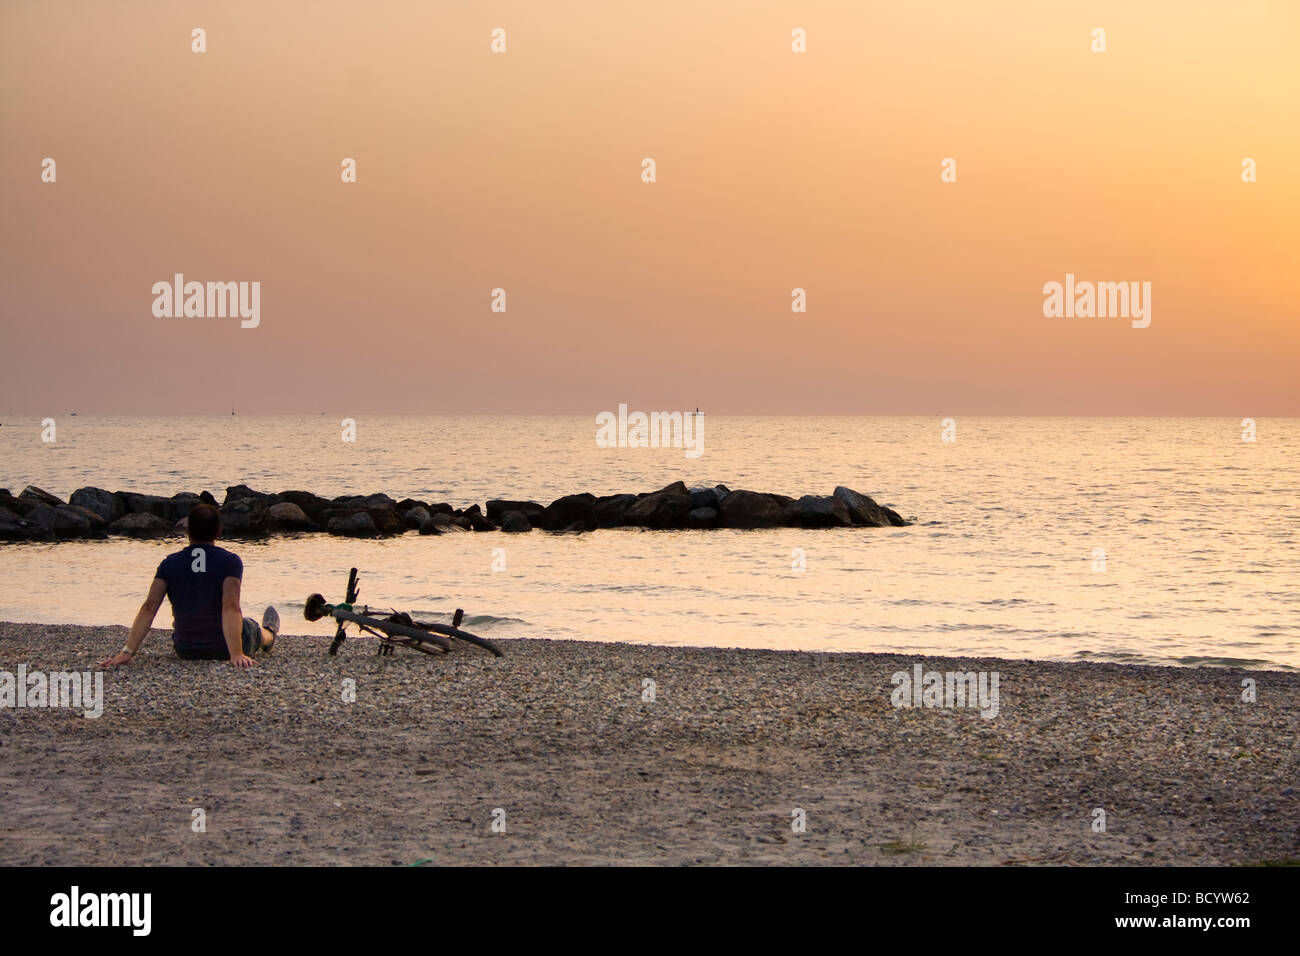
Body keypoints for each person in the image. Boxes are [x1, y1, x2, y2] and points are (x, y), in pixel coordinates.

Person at [99, 503, 279, 668]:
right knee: (250, 626)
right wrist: (236, 654)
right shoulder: (230, 562)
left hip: (185, 649)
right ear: (218, 532)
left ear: (187, 531)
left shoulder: (169, 563)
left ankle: (265, 631)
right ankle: (269, 633)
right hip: (222, 648)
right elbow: (230, 607)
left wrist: (127, 652)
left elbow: (149, 607)